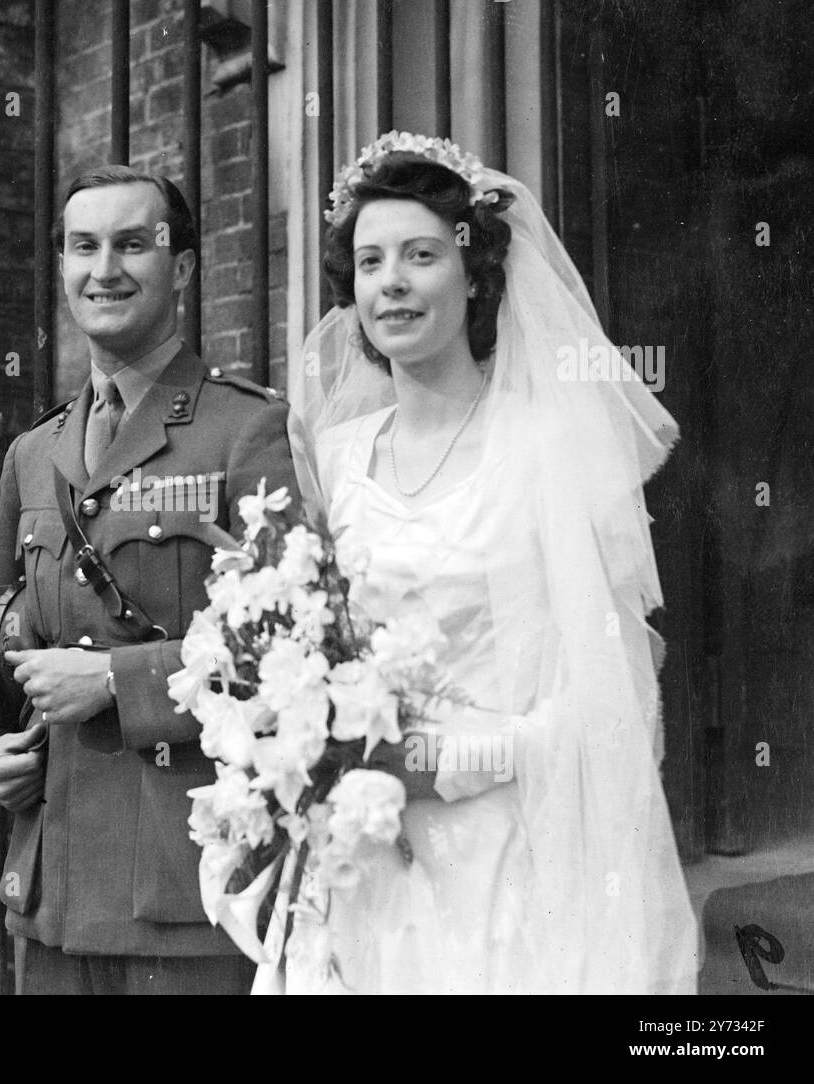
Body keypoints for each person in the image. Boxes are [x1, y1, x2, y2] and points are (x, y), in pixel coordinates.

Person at [272, 132, 698, 994]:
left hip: (517, 850)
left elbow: (615, 688)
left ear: (475, 273)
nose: (391, 281)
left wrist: (460, 764)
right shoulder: (337, 455)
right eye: (369, 262)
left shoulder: (548, 444)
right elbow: (305, 648)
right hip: (366, 856)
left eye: (422, 255)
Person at [0, 165, 300, 994]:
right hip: (55, 893)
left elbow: (294, 655)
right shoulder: (34, 455)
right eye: (83, 246)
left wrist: (117, 681)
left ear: (180, 267)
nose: (103, 269)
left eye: (131, 244)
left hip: (185, 899)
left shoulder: (245, 431)